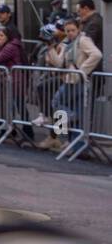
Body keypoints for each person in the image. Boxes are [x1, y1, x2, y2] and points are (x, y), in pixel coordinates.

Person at [41, 19, 103, 153]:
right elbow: (59, 63)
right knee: (78, 115)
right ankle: (79, 148)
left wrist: (82, 71)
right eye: (67, 31)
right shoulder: (66, 44)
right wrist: (50, 48)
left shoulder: (83, 40)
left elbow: (97, 54)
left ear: (78, 29)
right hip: (70, 80)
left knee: (56, 101)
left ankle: (67, 124)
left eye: (72, 30)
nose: (69, 33)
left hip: (79, 81)